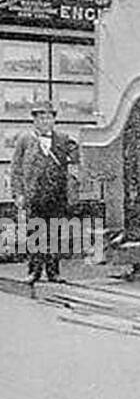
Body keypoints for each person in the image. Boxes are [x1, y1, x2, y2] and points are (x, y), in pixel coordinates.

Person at [12, 100, 80, 285]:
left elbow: (75, 159)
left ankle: (53, 272)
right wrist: (18, 193)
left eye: (48, 117)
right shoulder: (24, 140)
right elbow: (16, 169)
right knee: (35, 233)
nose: (45, 121)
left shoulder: (63, 139)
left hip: (56, 195)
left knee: (55, 233)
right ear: (34, 120)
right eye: (41, 118)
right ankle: (34, 272)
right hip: (33, 195)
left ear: (54, 120)